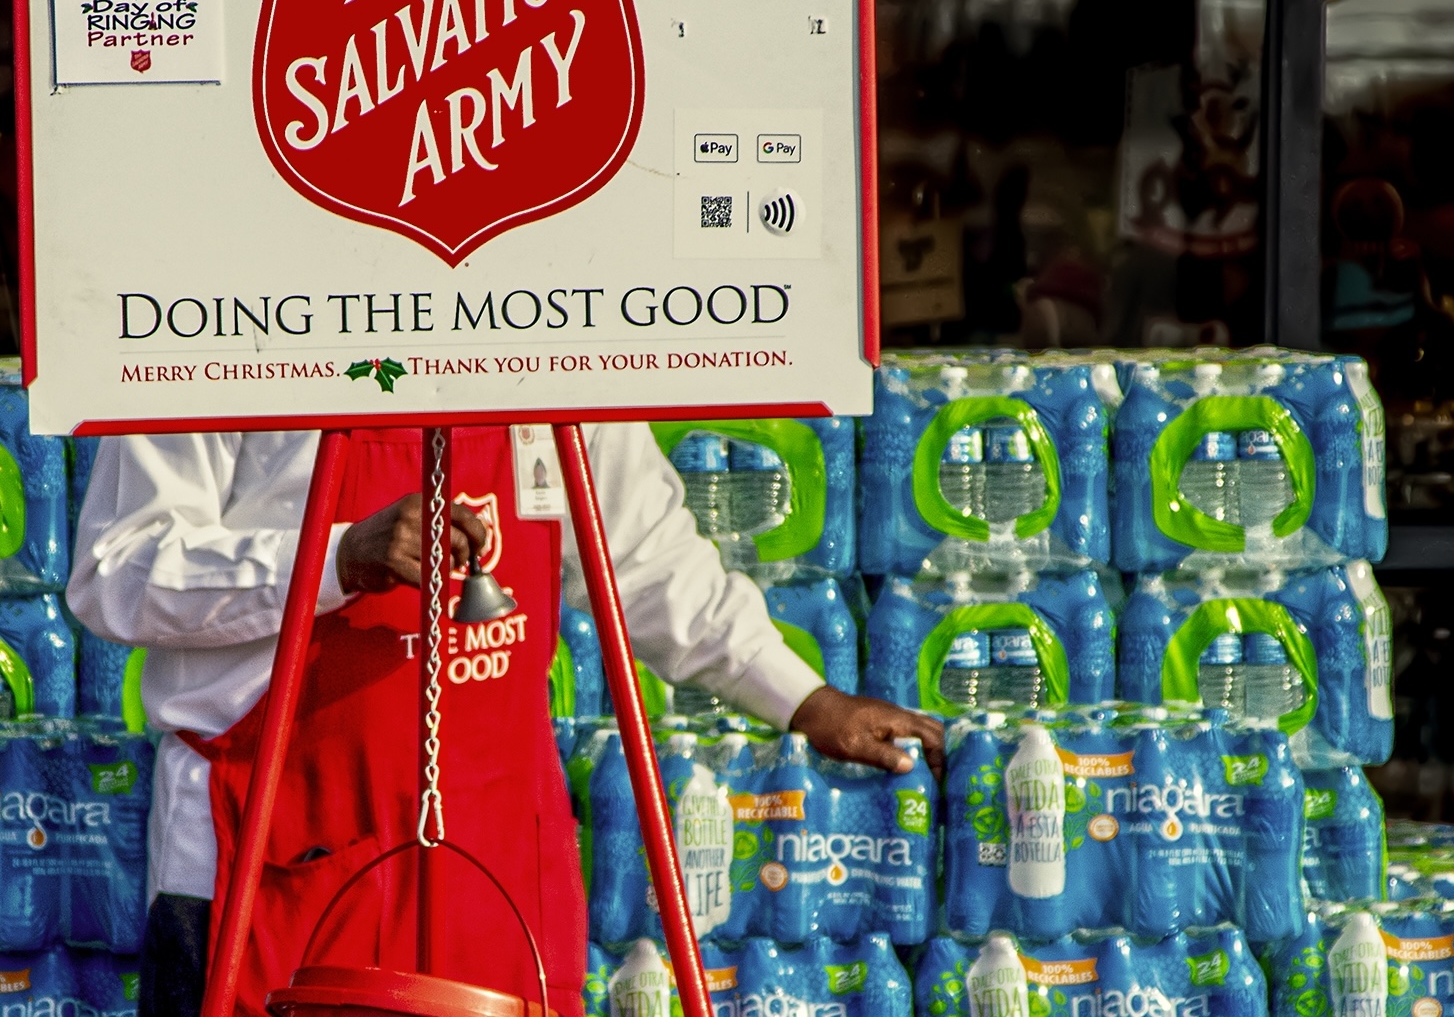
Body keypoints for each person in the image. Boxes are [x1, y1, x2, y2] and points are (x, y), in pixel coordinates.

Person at [69, 426, 942, 1017]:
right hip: (270, 853)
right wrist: (334, 557)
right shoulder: (231, 320)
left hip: (496, 865)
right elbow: (115, 572)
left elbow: (646, 559)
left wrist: (804, 699)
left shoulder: (548, 320)